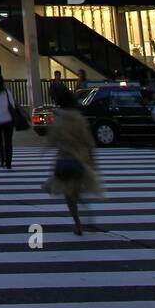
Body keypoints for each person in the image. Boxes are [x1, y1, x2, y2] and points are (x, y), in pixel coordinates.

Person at [43, 85, 101, 235]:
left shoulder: (58, 120)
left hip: (64, 159)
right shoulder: (79, 119)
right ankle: (86, 213)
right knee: (77, 189)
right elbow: (89, 141)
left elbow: (52, 139)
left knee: (69, 195)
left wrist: (43, 151)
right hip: (80, 158)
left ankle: (77, 224)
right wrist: (93, 161)